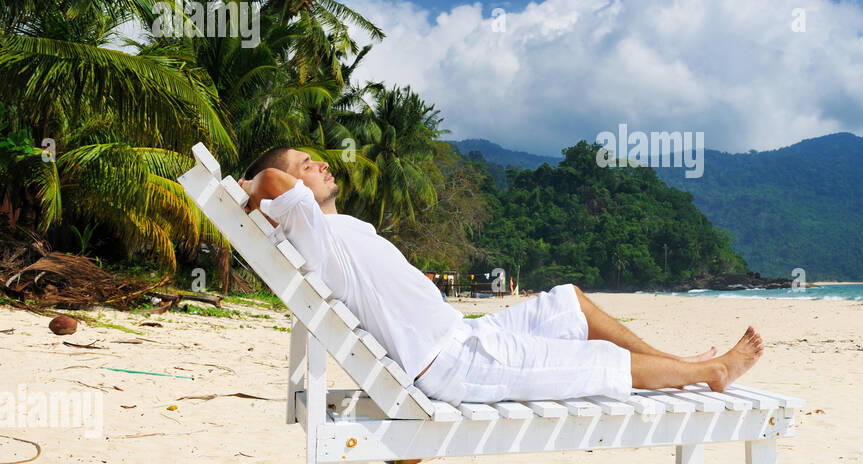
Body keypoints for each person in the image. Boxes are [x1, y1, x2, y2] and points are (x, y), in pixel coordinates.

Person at [237, 147, 763, 410]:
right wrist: (256, 179)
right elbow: (280, 185)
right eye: (307, 164)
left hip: (468, 338)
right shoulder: (313, 235)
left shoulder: (337, 228)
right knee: (600, 363)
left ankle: (677, 362)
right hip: (454, 364)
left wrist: (273, 181)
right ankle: (709, 372)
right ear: (286, 198)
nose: (322, 164)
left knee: (568, 301)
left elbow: (290, 188)